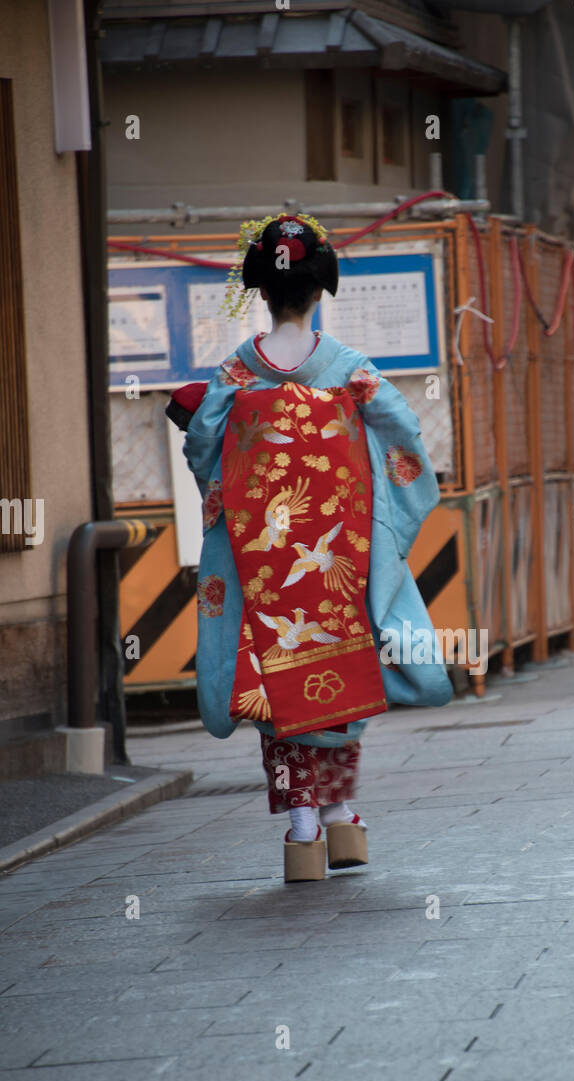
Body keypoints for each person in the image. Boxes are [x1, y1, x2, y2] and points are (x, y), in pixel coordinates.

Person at [176, 213, 451, 882]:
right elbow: (405, 440)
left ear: (262, 294)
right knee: (340, 679)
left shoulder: (236, 374)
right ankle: (341, 818)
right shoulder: (350, 372)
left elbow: (203, 450)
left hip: (261, 558)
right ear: (319, 288)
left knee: (275, 684)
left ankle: (301, 833)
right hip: (338, 549)